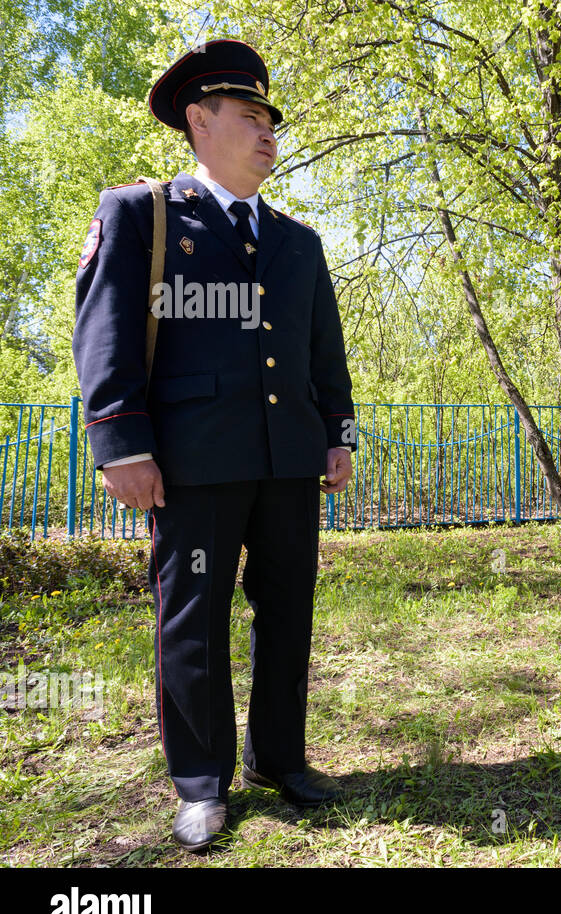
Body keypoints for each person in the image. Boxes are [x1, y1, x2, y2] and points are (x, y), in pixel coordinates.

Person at [71, 40, 357, 852]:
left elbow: (323, 352)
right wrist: (120, 442)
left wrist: (336, 433)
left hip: (288, 458)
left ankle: (280, 757)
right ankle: (201, 782)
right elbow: (105, 329)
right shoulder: (144, 214)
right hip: (191, 460)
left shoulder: (299, 241)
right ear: (200, 120)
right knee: (194, 617)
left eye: (272, 121)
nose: (269, 133)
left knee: (288, 607)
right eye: (251, 117)